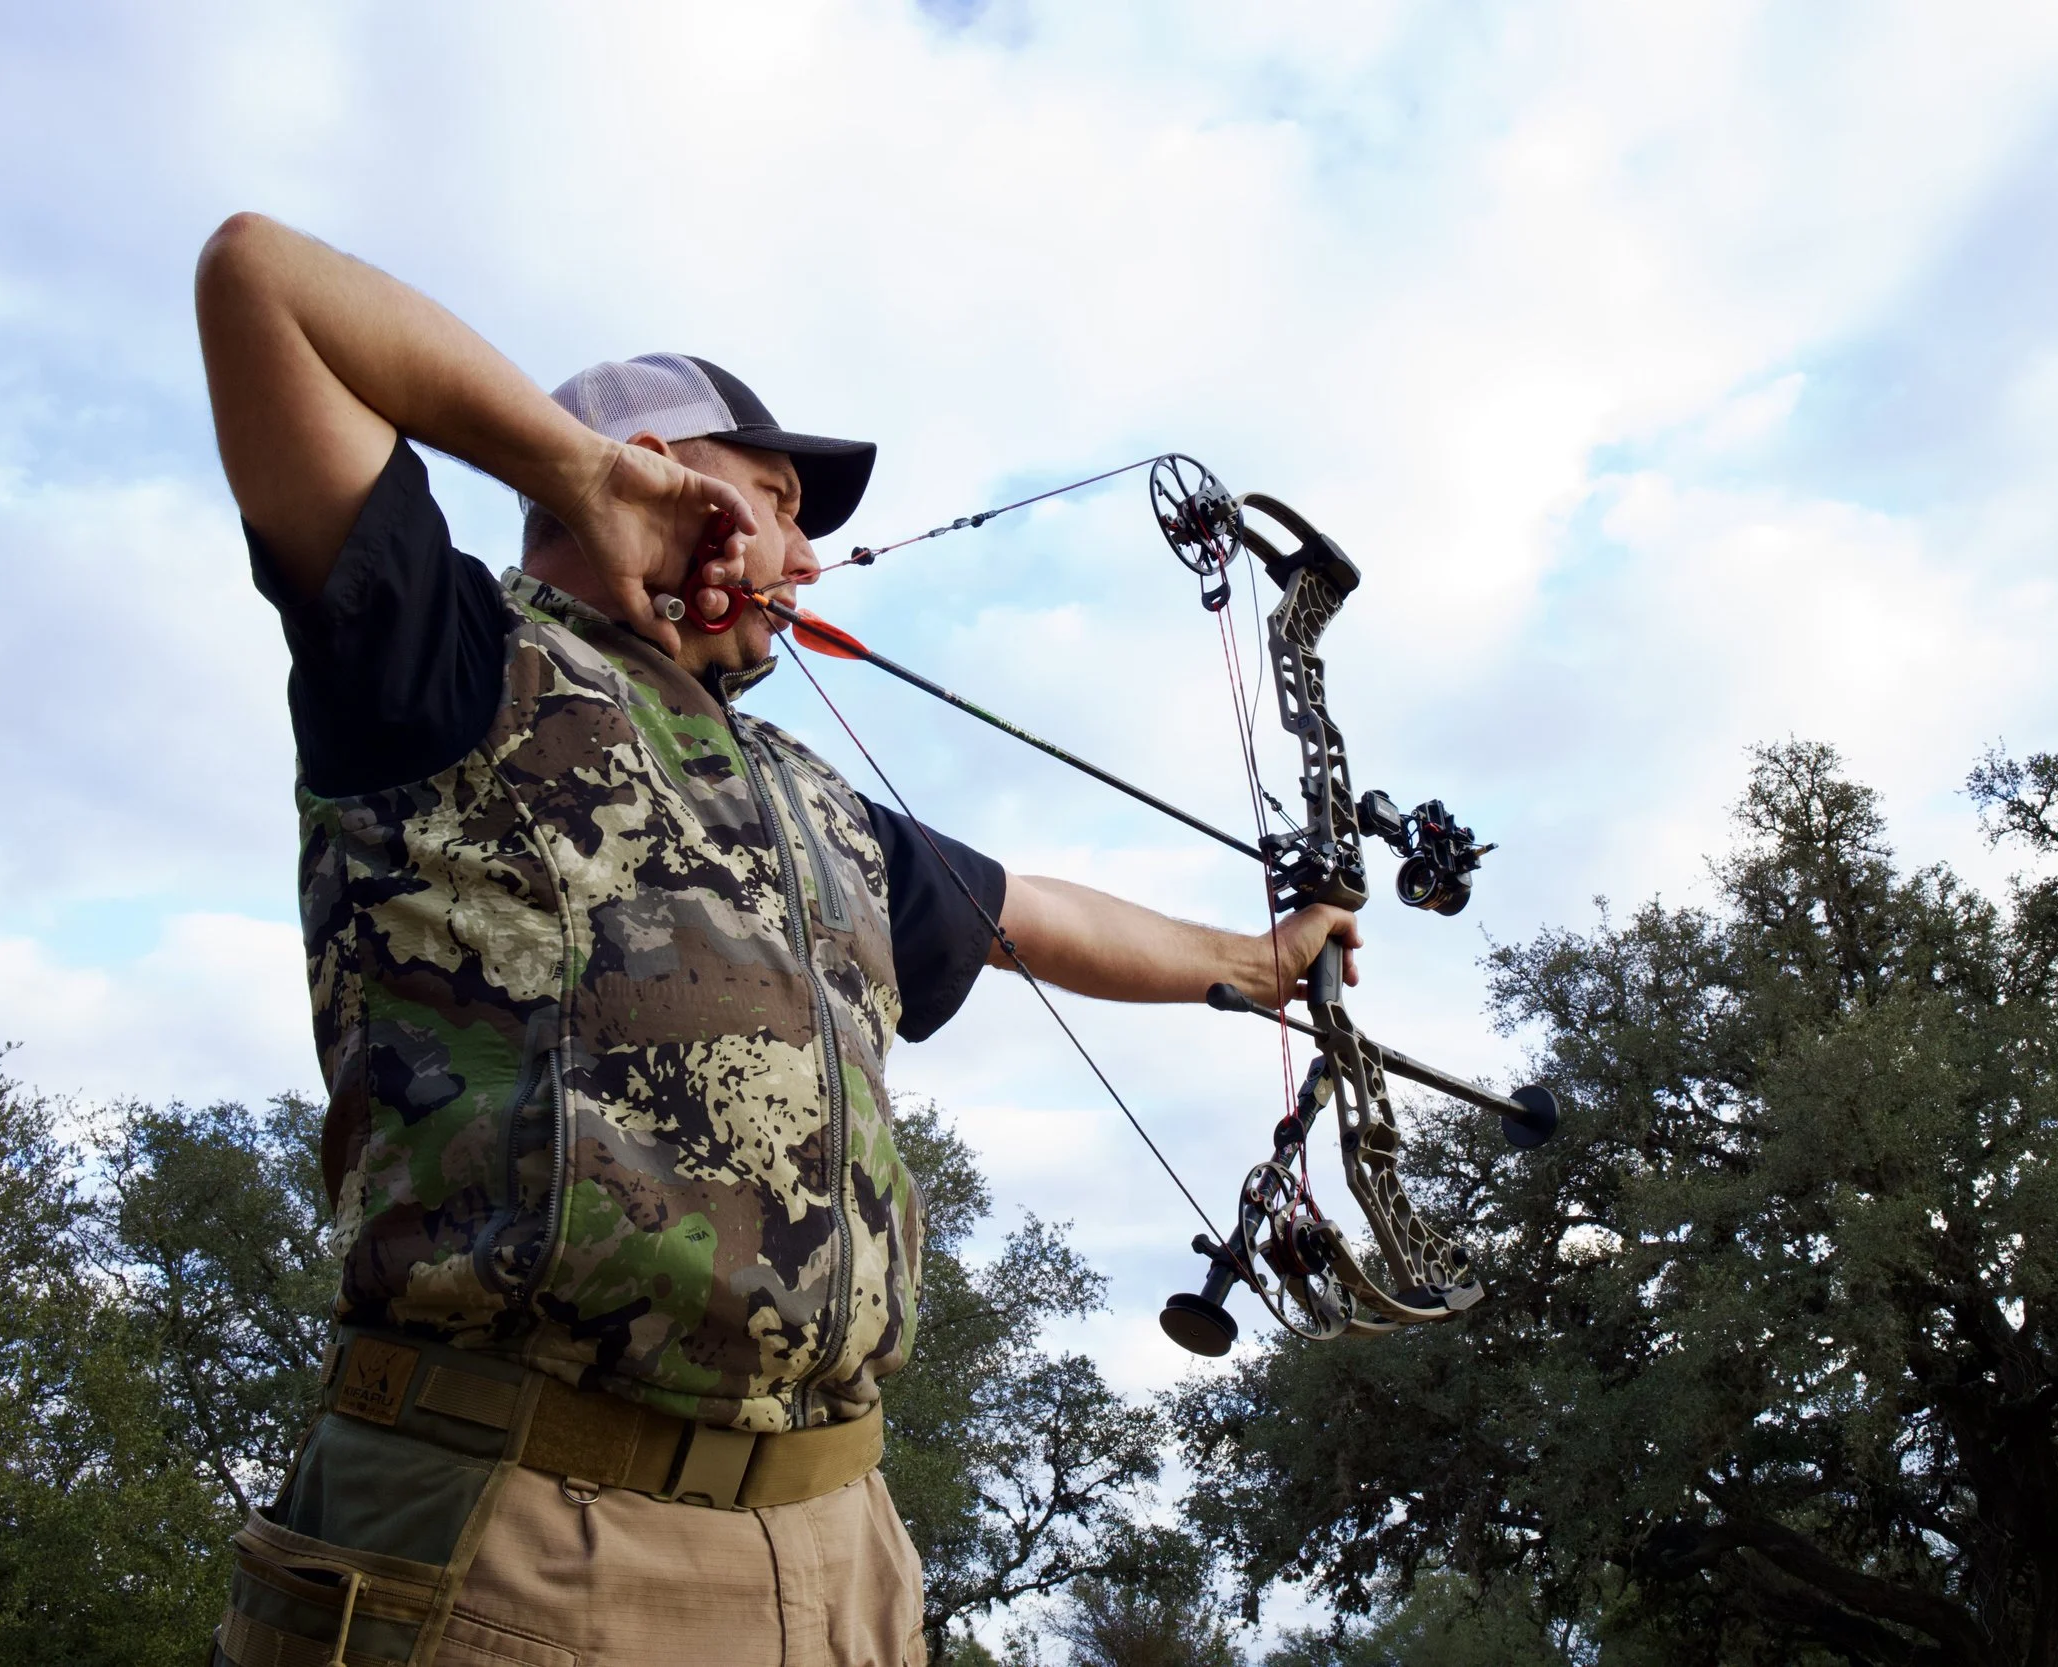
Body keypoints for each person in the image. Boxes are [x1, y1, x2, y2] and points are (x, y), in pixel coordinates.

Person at [192, 212, 1360, 1667]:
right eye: (777, 499)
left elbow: (1028, 916)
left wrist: (1252, 966)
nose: (807, 553)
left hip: (841, 1547)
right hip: (524, 1542)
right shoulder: (449, 662)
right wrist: (582, 473)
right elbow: (261, 283)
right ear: (665, 475)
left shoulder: (809, 802)